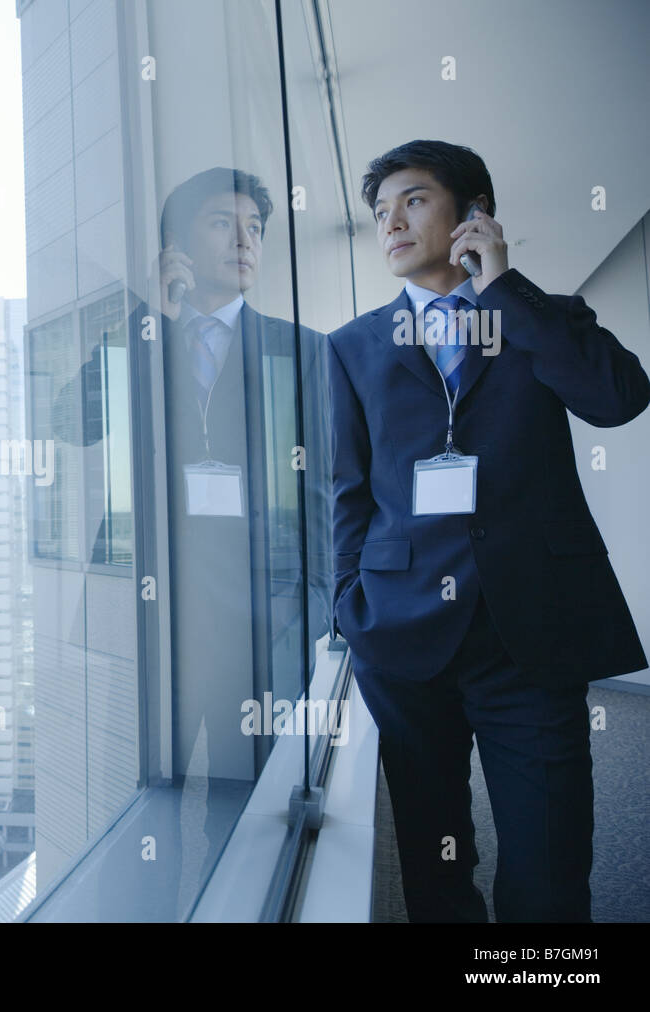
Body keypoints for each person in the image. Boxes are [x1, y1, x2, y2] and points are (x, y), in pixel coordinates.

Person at [328, 139, 650, 921]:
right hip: (404, 638)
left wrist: (502, 286)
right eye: (380, 213)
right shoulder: (351, 346)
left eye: (413, 201)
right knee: (435, 862)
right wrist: (348, 604)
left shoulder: (540, 315)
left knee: (547, 861)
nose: (392, 224)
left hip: (529, 632)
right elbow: (345, 492)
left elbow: (617, 398)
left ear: (474, 213)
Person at [54, 166, 334, 780]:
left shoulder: (302, 350)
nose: (245, 242)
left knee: (247, 805)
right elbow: (69, 422)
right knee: (146, 788)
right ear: (175, 246)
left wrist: (313, 602)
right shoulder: (145, 338)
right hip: (156, 621)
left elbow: (323, 488)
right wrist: (149, 316)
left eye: (255, 228)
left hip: (262, 616)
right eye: (221, 224)